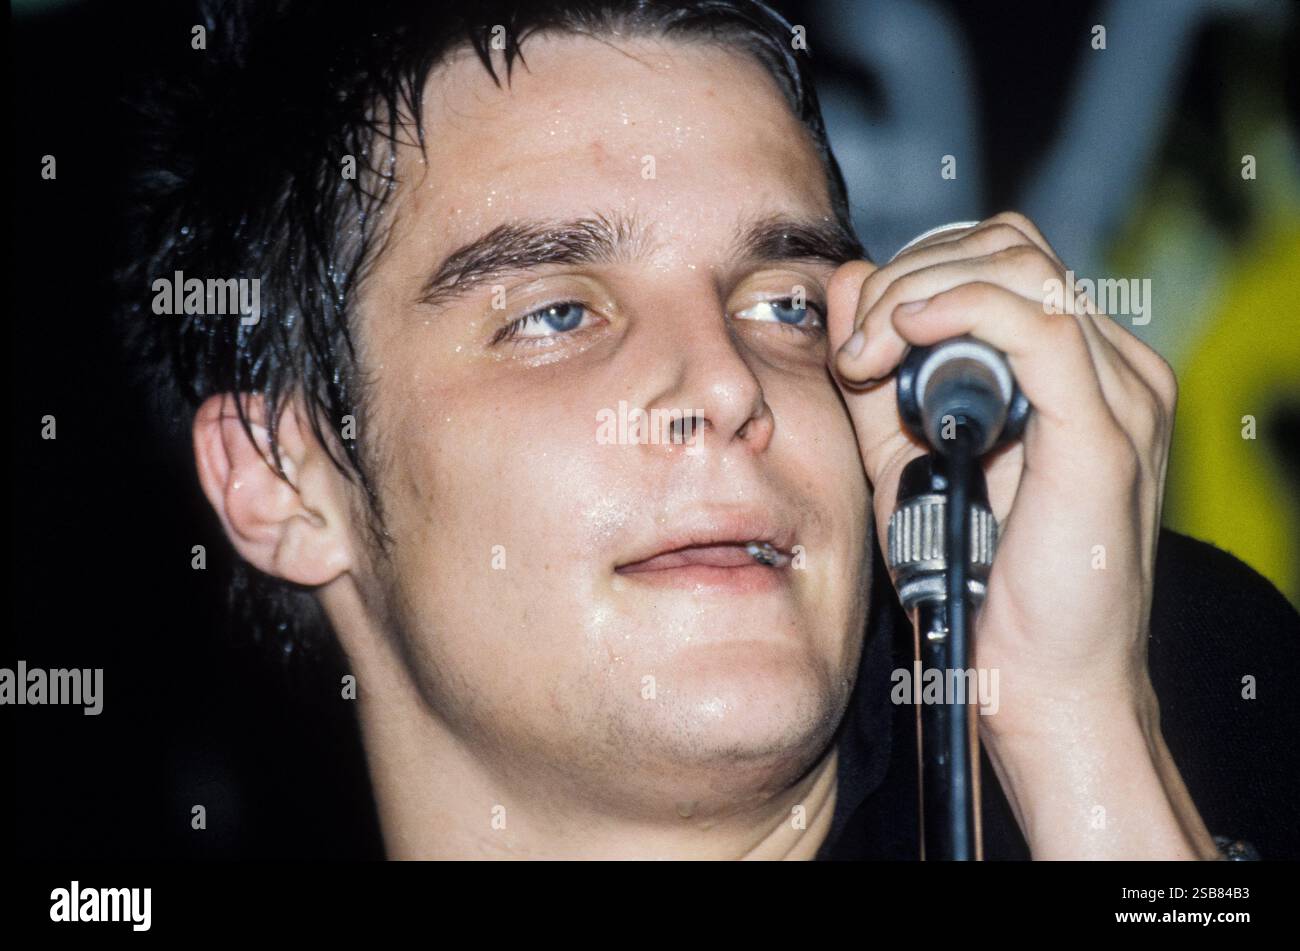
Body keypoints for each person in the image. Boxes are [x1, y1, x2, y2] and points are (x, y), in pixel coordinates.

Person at [122, 0, 1300, 859]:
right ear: (282, 479)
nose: (726, 384)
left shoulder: (1180, 693)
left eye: (783, 304)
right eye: (558, 314)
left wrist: (1088, 751)